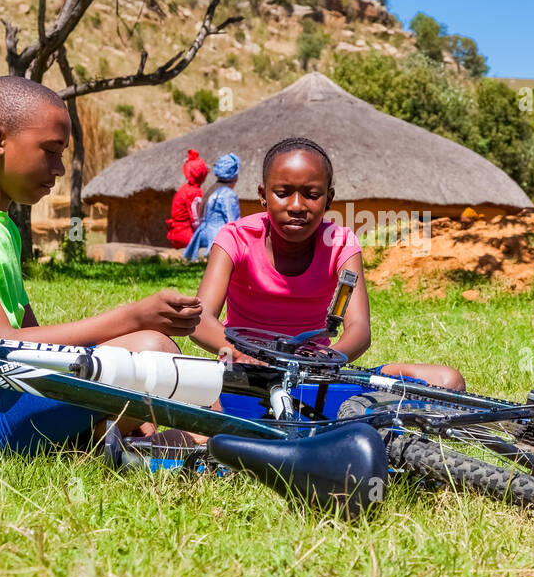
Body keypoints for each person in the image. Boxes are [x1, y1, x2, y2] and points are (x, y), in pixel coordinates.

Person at [0, 76, 203, 456]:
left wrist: (135, 404)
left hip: (2, 395)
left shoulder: (0, 225)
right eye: (50, 151)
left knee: (144, 365)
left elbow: (35, 338)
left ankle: (119, 439)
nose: (58, 169)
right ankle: (143, 440)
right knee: (150, 348)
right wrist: (132, 319)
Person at [190, 136, 464, 389]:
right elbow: (201, 319)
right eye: (283, 192)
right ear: (263, 195)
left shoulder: (340, 244)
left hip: (316, 376)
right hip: (245, 376)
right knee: (204, 425)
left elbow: (358, 329)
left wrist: (325, 359)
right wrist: (241, 356)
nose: (296, 205)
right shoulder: (236, 238)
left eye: (311, 194)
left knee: (446, 381)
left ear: (328, 199)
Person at [183, 152, 241, 261]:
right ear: (234, 174)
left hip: (203, 233)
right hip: (217, 236)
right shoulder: (228, 194)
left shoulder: (213, 190)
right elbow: (232, 221)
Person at [167, 149, 206, 248]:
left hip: (176, 232)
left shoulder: (184, 188)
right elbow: (195, 218)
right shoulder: (194, 192)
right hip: (185, 233)